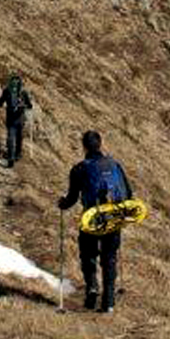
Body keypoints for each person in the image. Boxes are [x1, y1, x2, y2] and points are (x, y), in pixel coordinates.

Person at [56, 130, 133, 312]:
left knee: (88, 254)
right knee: (110, 258)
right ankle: (109, 302)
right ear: (100, 144)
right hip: (113, 217)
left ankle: (92, 286)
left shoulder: (79, 169)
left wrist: (62, 204)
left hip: (91, 218)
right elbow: (128, 193)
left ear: (84, 147)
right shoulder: (115, 164)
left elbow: (72, 198)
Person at [0, 74, 34, 168]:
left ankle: (12, 158)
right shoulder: (23, 92)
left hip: (11, 119)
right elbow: (30, 105)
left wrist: (0, 104)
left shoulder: (7, 91)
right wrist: (25, 105)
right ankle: (16, 155)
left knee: (11, 138)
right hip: (20, 120)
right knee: (18, 138)